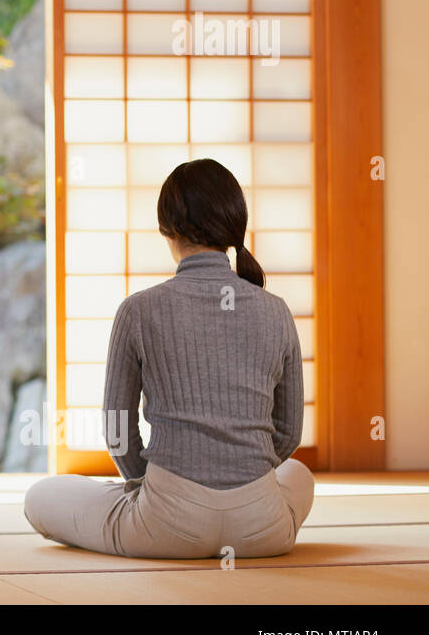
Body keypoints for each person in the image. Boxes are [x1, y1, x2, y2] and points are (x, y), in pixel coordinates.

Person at [23, 158, 314, 559]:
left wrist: (145, 485)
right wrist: (243, 476)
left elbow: (117, 429)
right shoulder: (276, 310)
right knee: (297, 474)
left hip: (165, 529)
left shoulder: (140, 309)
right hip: (261, 531)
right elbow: (288, 432)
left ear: (167, 228)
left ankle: (155, 505)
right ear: (233, 226)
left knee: (42, 495)